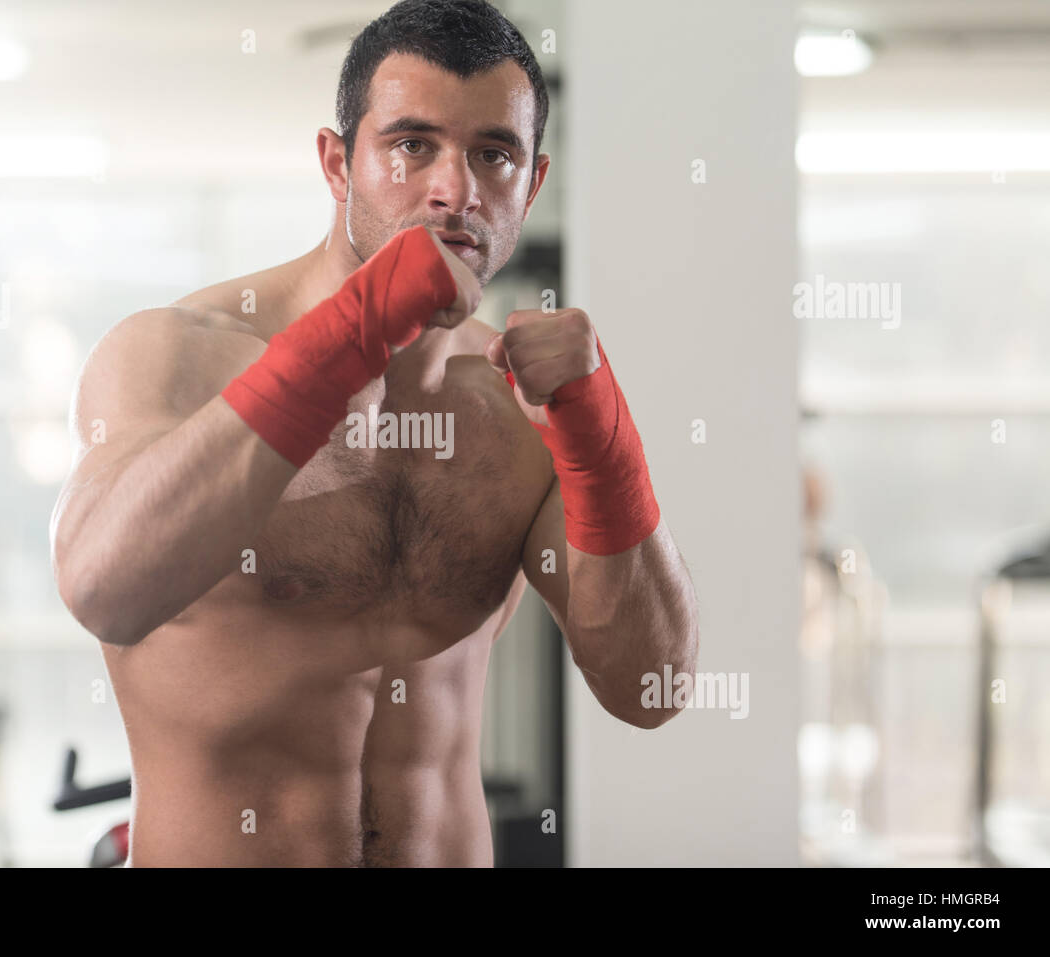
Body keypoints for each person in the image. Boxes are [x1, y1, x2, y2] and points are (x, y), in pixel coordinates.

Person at [49, 0, 698, 867]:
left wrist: (603, 441)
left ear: (531, 185)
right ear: (336, 163)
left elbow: (651, 687)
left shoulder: (518, 410)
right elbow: (101, 584)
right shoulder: (172, 356)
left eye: (493, 155)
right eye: (411, 145)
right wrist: (349, 338)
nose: (454, 190)